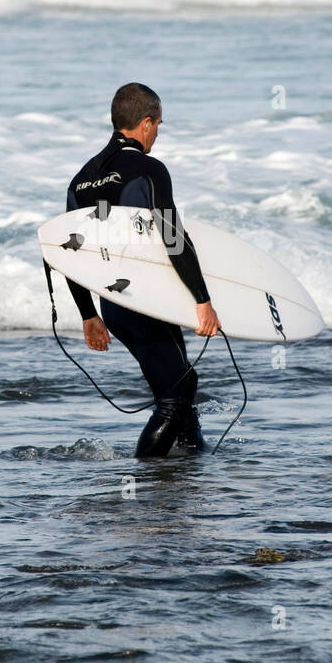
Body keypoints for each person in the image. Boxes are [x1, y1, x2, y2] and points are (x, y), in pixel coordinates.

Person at [65, 82, 221, 457]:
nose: (157, 135)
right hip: (146, 301)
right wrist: (203, 300)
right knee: (174, 396)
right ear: (146, 123)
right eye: (159, 125)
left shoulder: (81, 180)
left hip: (113, 307)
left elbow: (70, 250)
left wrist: (89, 315)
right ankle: (148, 478)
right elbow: (174, 238)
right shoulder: (148, 169)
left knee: (181, 382)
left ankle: (191, 461)